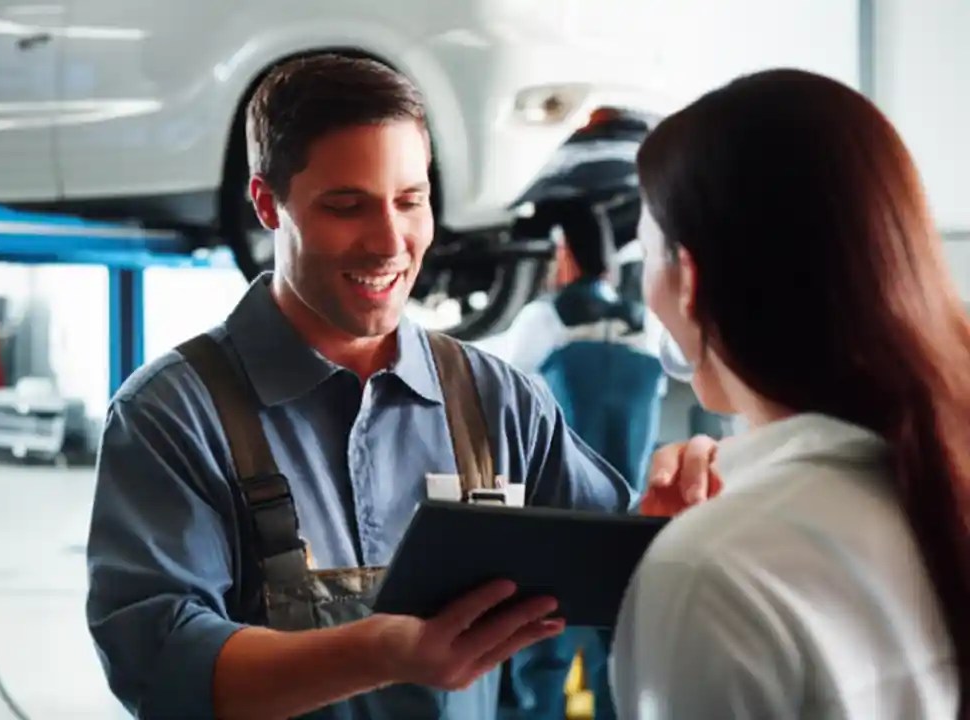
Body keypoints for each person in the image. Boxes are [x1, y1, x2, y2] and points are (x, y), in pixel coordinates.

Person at [85, 53, 717, 720]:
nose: (390, 241)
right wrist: (380, 653)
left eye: (410, 201)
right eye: (346, 206)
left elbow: (621, 577)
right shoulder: (174, 417)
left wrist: (671, 530)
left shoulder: (498, 403)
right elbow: (159, 668)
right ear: (268, 205)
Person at [611, 68, 968, 718]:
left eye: (645, 256)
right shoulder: (939, 478)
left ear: (688, 278)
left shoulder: (715, 570)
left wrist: (673, 576)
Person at [498, 199, 667, 720]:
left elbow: (500, 406)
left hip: (556, 523)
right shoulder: (647, 327)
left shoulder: (543, 319)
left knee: (540, 663)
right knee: (620, 667)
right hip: (630, 523)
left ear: (563, 252)